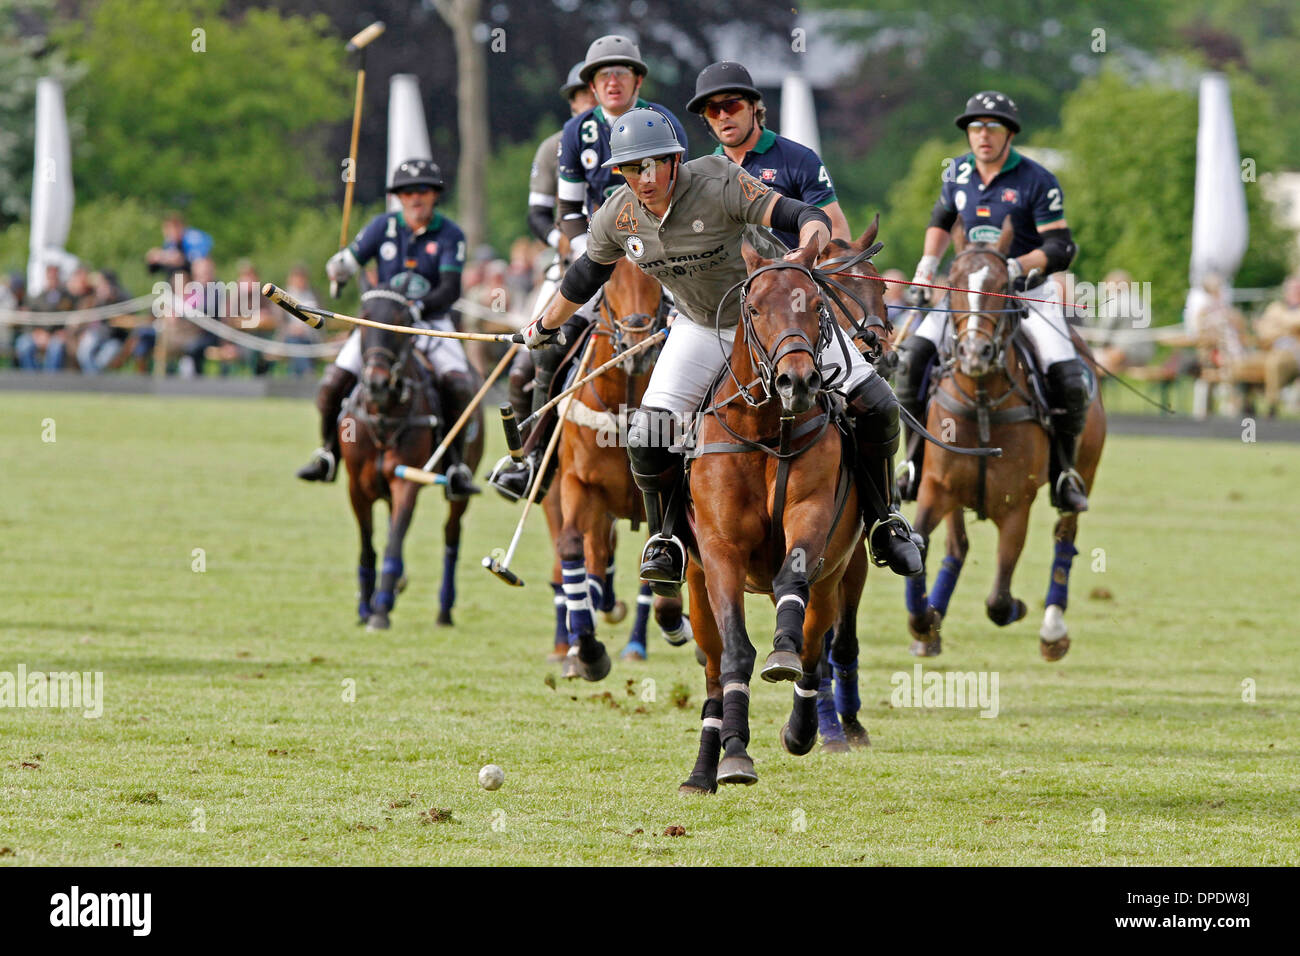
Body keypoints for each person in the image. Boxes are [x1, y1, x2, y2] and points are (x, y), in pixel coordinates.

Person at [519, 109, 922, 590]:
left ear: (674, 160)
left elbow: (805, 216)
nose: (643, 179)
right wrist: (544, 325)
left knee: (876, 403)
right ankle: (665, 538)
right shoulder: (617, 216)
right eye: (631, 169)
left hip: (778, 320)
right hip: (702, 327)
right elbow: (586, 275)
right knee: (649, 433)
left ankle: (884, 519)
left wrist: (805, 252)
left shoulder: (720, 180)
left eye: (652, 165)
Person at [494, 36, 689, 499]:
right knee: (535, 354)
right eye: (603, 76)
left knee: (706, 336)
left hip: (661, 259)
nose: (613, 82)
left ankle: (702, 451)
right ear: (593, 85)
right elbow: (567, 210)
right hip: (592, 261)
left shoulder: (663, 121)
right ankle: (534, 460)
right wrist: (593, 259)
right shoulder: (575, 132)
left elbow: (681, 192)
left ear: (638, 80)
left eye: (622, 73)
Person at [897, 90, 1090, 512]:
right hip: (967, 296)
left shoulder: (1036, 180)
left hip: (1028, 294)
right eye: (975, 128)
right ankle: (912, 462)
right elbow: (940, 221)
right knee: (911, 359)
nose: (983, 136)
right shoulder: (958, 174)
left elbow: (1061, 246)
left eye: (993, 128)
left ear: (1009, 135)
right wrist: (927, 268)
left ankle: (1062, 473)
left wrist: (1017, 267)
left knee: (1069, 376)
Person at [297, 158, 479, 499]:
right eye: (407, 192)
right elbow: (350, 261)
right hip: (380, 327)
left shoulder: (450, 234)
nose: (415, 199)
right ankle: (328, 453)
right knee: (333, 384)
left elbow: (450, 288)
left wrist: (416, 308)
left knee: (458, 384)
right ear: (398, 197)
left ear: (434, 195)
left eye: (422, 191)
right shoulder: (382, 227)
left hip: (430, 323)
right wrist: (338, 269)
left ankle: (455, 464)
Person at [493, 62, 594, 498]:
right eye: (583, 94)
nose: (592, 100)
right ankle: (530, 459)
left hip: (636, 267)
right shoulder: (553, 147)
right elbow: (536, 214)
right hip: (570, 267)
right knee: (523, 367)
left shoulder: (637, 134)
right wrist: (564, 243)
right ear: (573, 101)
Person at [687, 60, 850, 247]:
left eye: (731, 105)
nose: (723, 116)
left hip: (791, 272)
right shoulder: (702, 175)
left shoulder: (800, 159)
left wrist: (804, 261)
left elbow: (836, 231)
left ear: (753, 106)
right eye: (712, 109)